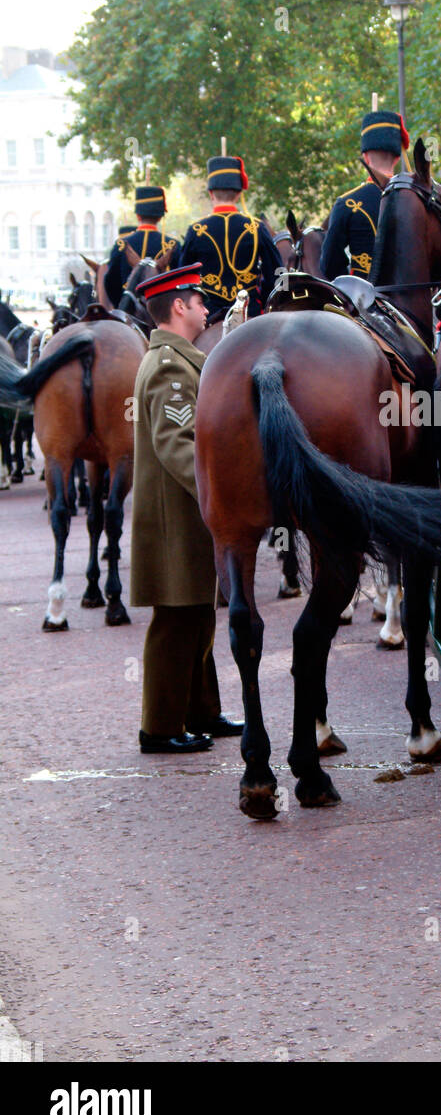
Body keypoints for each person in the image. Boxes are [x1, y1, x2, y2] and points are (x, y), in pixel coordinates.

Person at [130, 263, 243, 753]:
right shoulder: (170, 367)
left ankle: (200, 711)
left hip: (186, 513)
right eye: (198, 302)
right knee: (174, 620)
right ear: (179, 306)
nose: (204, 309)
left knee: (199, 613)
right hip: (175, 516)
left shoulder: (181, 359)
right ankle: (159, 728)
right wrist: (220, 495)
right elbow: (177, 444)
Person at [177, 155, 281, 316]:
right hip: (251, 312)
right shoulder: (256, 227)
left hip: (208, 314)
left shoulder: (196, 230)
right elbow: (277, 273)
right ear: (239, 194)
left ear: (211, 193)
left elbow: (183, 279)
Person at [320, 109, 410, 280]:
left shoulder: (347, 203)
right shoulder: (417, 197)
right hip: (417, 301)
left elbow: (329, 264)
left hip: (364, 300)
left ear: (365, 157)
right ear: (397, 158)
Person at [104, 185, 177, 307]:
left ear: (138, 215)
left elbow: (110, 282)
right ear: (160, 217)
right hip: (164, 312)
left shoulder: (121, 245)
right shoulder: (173, 245)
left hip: (128, 312)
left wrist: (121, 306)